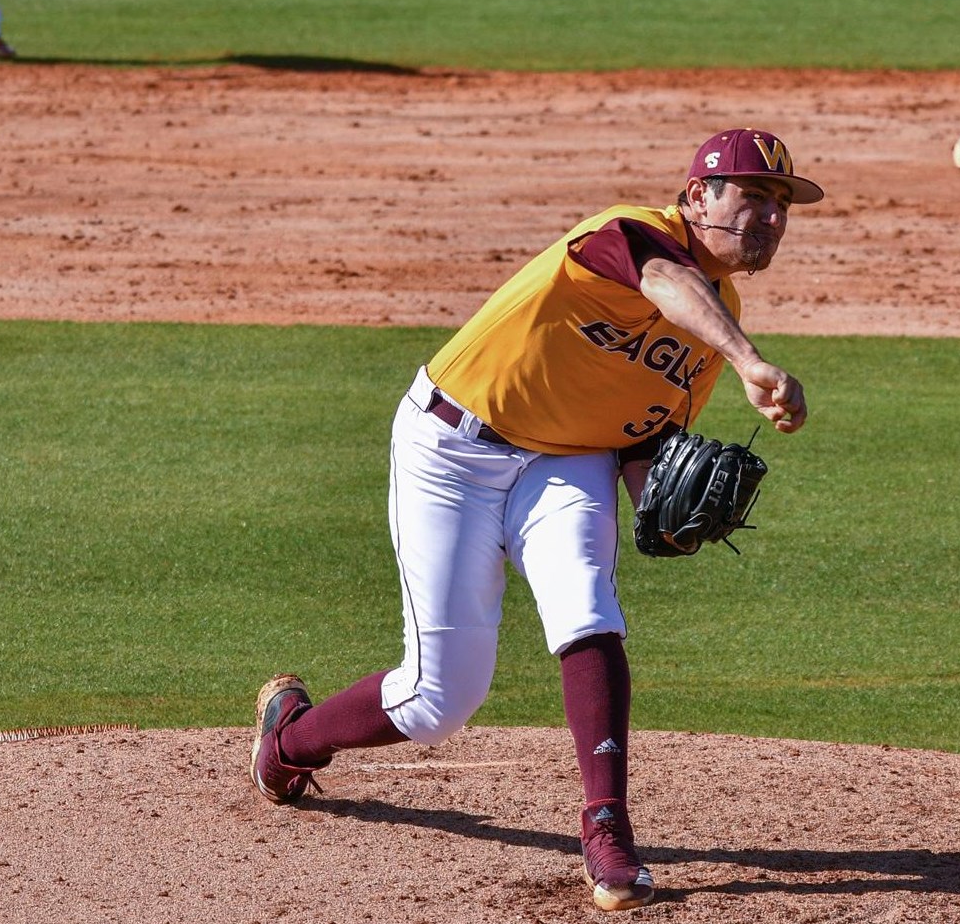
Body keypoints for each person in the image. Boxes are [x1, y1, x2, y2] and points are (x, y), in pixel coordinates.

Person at [250, 128, 823, 911]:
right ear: (698, 196)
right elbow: (663, 280)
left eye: (781, 204)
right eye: (753, 196)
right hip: (452, 448)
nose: (771, 217)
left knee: (587, 604)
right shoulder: (629, 234)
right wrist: (751, 360)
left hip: (566, 459)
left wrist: (664, 509)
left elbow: (644, 435)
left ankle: (607, 827)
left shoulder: (714, 325)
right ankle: (289, 740)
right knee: (437, 701)